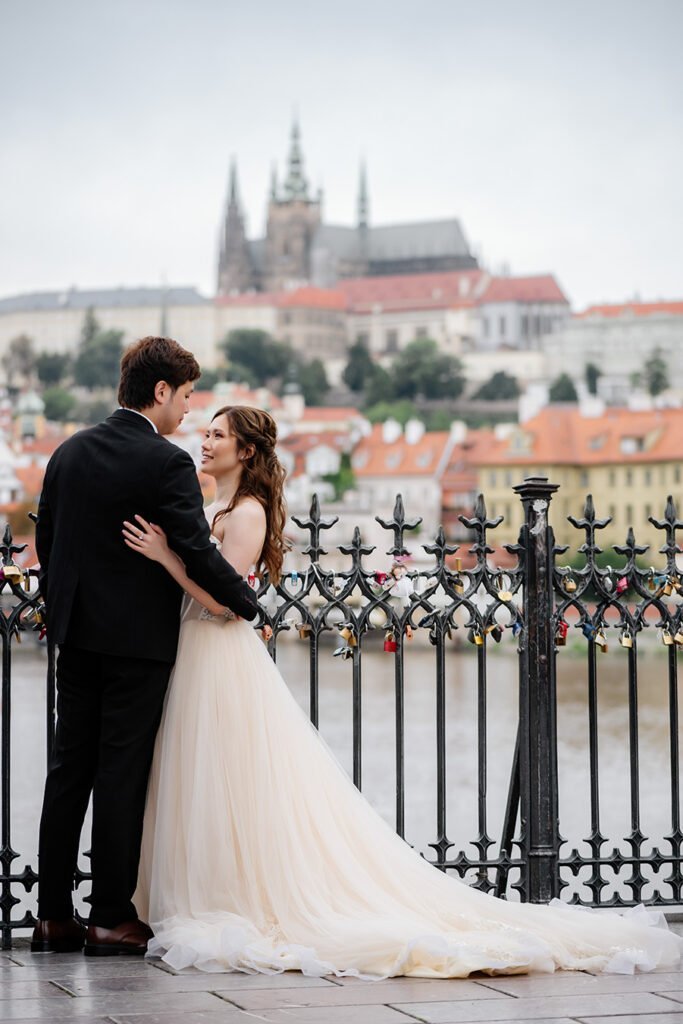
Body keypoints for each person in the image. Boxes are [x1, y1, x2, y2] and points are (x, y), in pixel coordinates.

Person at [128, 405, 681, 978]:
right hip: (193, 649)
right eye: (206, 432)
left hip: (219, 651)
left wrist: (166, 557)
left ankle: (232, 895)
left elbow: (226, 603)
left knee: (225, 776)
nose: (205, 441)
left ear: (245, 451)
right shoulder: (214, 507)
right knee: (202, 775)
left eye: (217, 434)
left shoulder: (246, 513)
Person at [32, 338, 259, 958]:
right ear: (161, 391)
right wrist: (245, 601)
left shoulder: (68, 451)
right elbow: (195, 549)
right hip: (138, 643)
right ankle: (109, 917)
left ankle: (52, 917)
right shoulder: (166, 462)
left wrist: (65, 611)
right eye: (185, 396)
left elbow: (48, 543)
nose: (187, 410)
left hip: (76, 637)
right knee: (121, 775)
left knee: (68, 772)